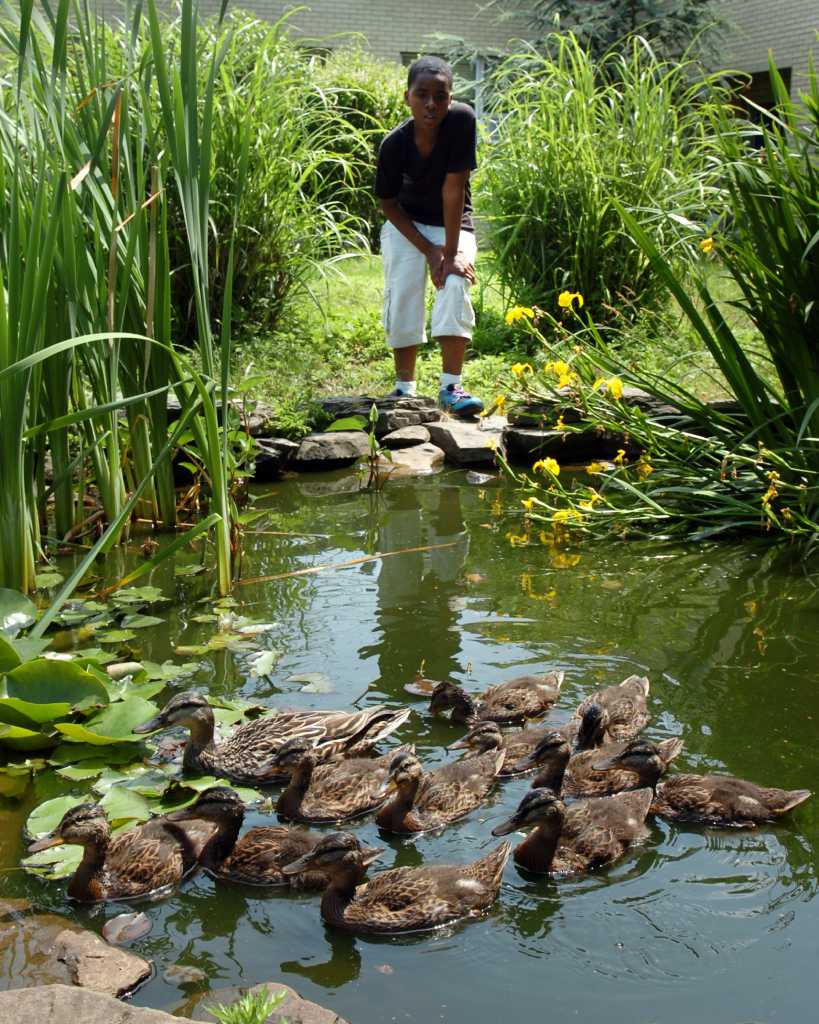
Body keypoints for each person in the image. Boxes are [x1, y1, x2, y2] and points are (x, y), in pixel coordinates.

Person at [374, 55, 483, 418]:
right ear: (407, 97)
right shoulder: (394, 145)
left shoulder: (462, 122)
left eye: (440, 95)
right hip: (407, 225)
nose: (431, 103)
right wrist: (428, 250)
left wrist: (448, 254)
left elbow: (454, 191)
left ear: (451, 99)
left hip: (454, 223)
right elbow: (388, 205)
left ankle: (451, 386)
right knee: (404, 289)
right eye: (422, 94)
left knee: (455, 281)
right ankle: (404, 388)